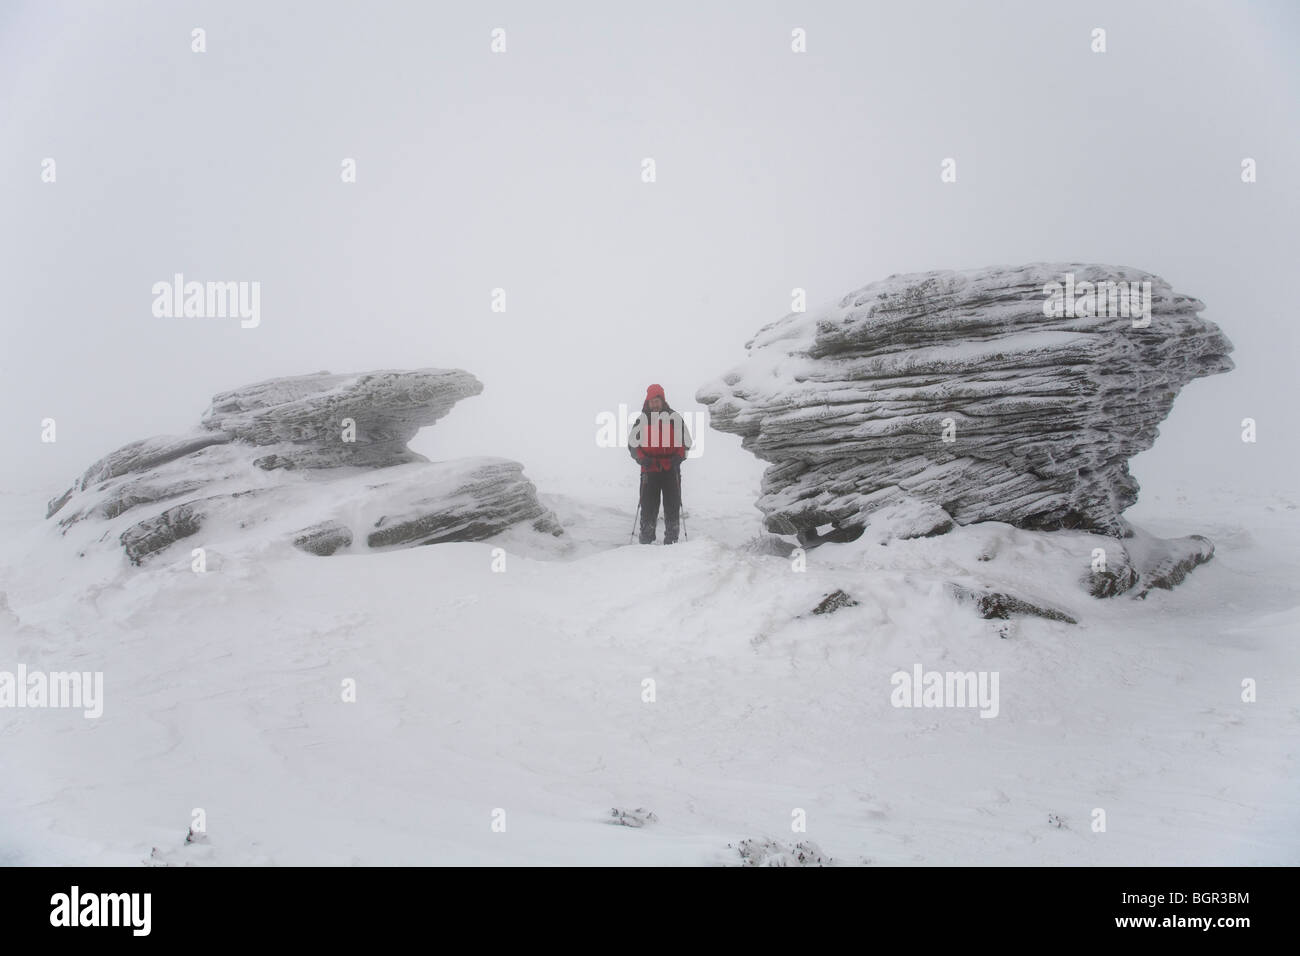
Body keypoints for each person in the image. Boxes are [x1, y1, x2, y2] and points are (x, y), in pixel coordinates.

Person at [627, 383, 691, 544]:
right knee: (648, 507)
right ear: (647, 402)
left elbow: (686, 441)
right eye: (651, 401)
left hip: (671, 468)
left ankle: (672, 540)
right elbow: (632, 445)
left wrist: (679, 456)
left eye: (657, 401)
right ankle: (646, 540)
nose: (654, 404)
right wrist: (642, 459)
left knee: (672, 505)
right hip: (649, 469)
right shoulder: (641, 420)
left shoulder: (674, 418)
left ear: (662, 401)